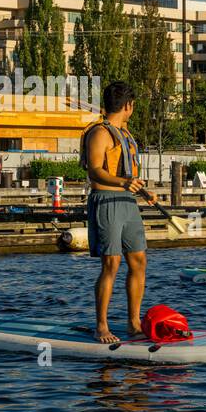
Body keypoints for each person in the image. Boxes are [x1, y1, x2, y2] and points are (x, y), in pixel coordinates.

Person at [81, 82, 149, 344]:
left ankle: (134, 324)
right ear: (128, 105)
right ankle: (102, 326)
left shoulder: (125, 133)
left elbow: (126, 174)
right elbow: (95, 170)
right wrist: (123, 183)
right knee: (112, 263)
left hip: (128, 201)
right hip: (107, 201)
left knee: (139, 261)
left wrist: (143, 192)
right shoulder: (100, 133)